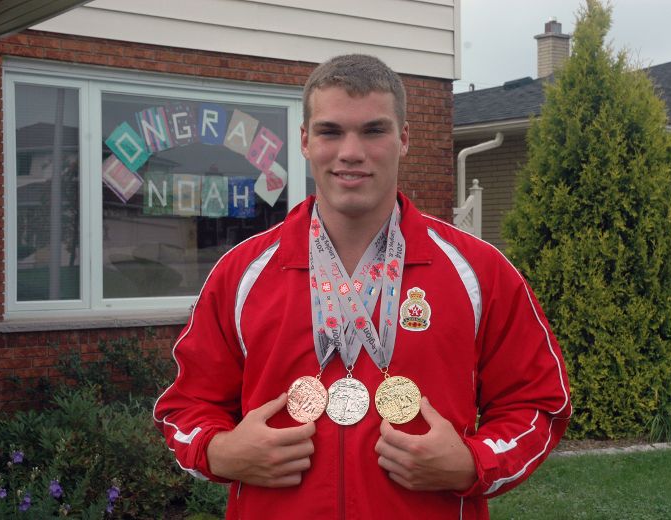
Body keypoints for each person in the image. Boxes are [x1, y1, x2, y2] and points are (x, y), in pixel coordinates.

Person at [154, 54, 571, 519]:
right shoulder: (241, 273)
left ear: (404, 139)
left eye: (373, 130)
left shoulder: (478, 271)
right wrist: (220, 452)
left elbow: (537, 403)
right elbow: (187, 406)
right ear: (306, 141)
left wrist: (474, 463)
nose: (351, 151)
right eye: (331, 131)